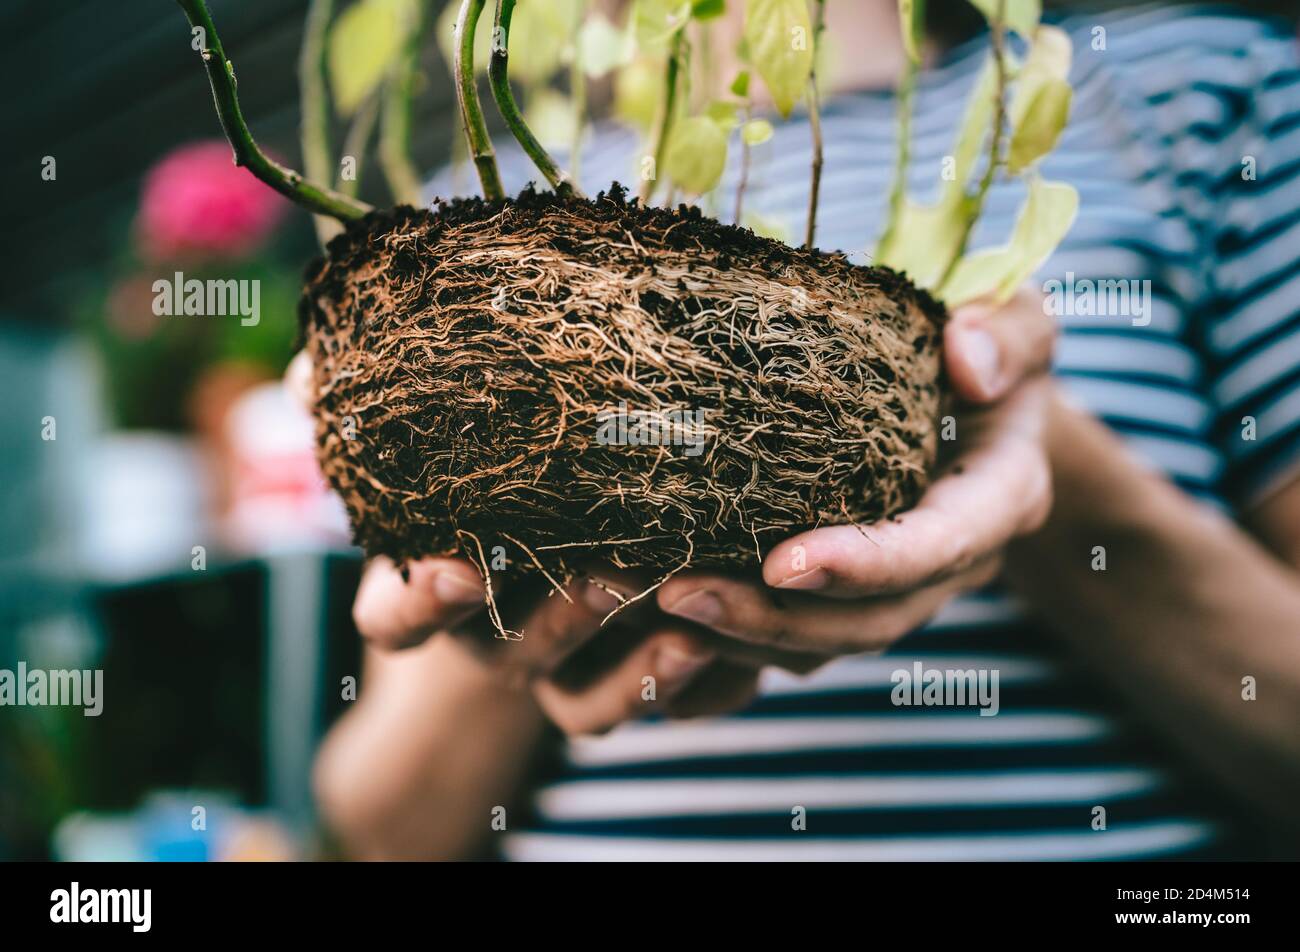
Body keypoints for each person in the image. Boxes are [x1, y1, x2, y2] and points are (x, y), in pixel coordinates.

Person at [307, 1, 1300, 860]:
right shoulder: (477, 219)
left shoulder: (1203, 94)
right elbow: (389, 830)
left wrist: (1032, 482)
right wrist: (512, 569)